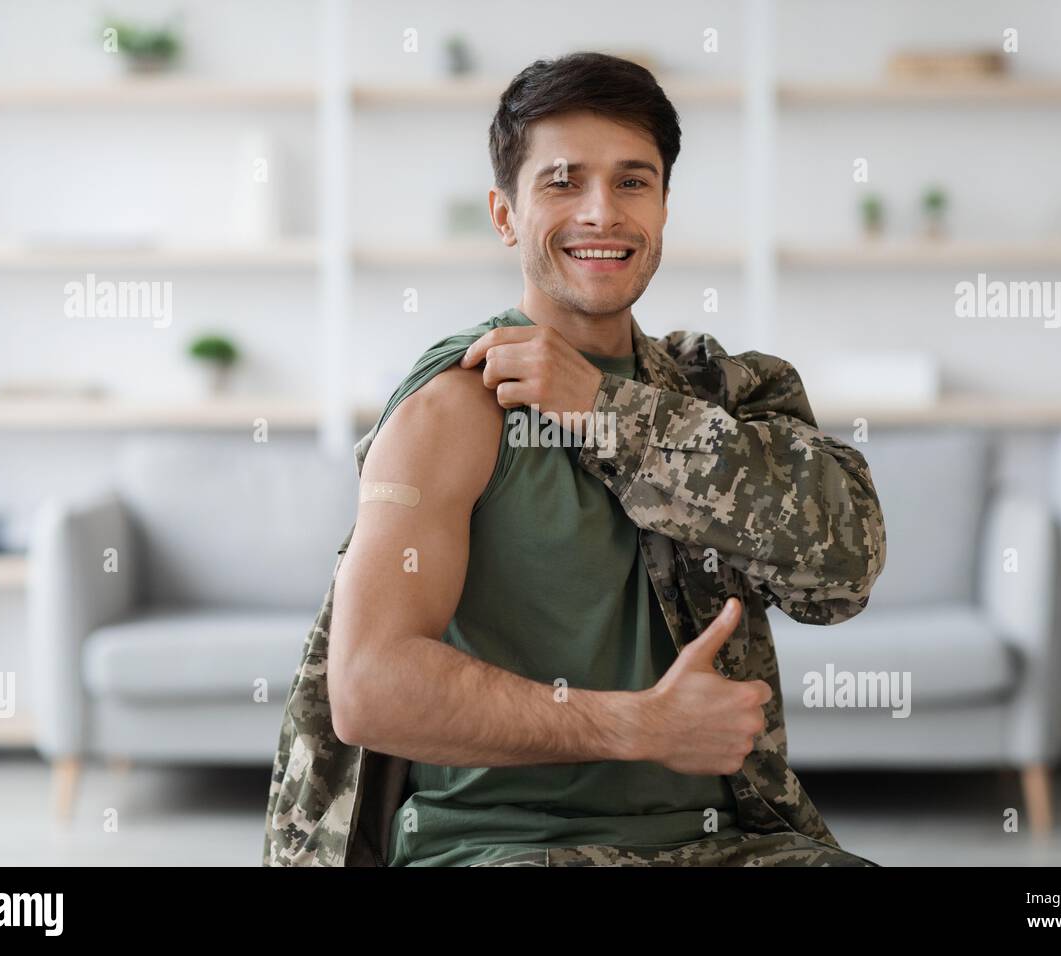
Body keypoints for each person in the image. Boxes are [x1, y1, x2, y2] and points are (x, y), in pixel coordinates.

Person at [262, 51, 886, 868]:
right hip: (496, 851)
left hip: (729, 846)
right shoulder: (451, 407)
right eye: (562, 182)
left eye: (633, 181)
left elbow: (846, 571)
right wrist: (641, 725)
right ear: (504, 214)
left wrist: (607, 411)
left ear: (664, 206)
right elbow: (369, 687)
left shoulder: (725, 394)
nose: (602, 212)